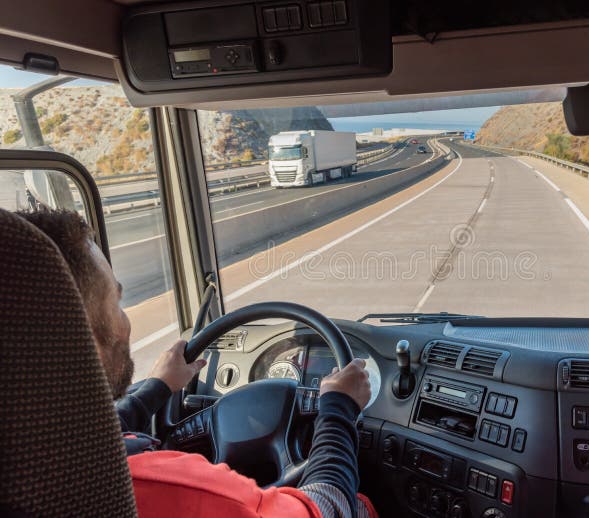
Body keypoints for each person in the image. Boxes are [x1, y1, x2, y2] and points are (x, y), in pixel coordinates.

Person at [18, 209, 376, 518]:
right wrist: (337, 410)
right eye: (116, 303)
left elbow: (98, 433)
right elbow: (322, 509)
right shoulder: (157, 485)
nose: (125, 322)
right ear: (75, 340)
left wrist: (155, 389)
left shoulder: (32, 459)